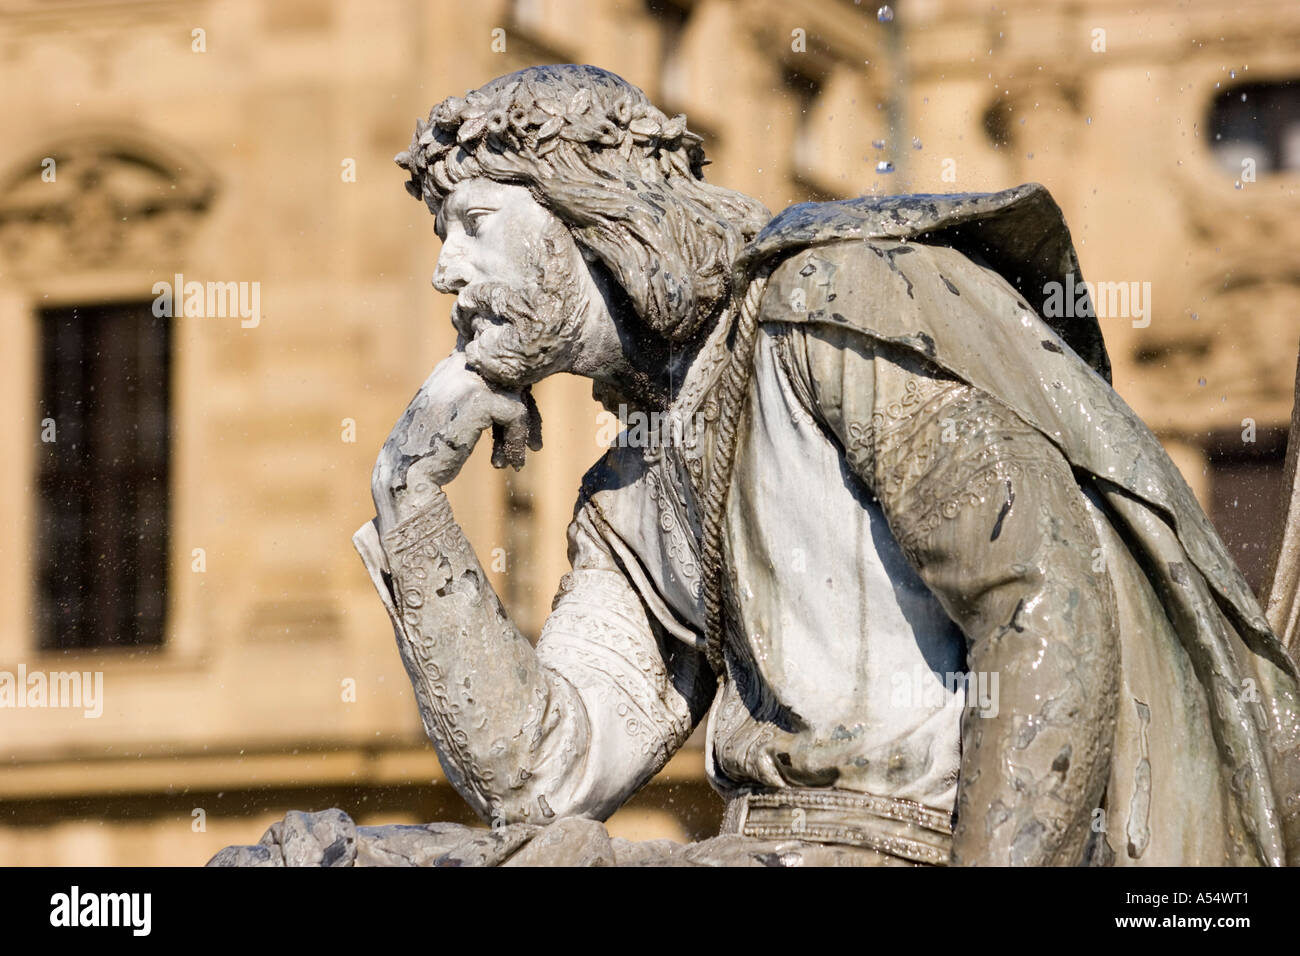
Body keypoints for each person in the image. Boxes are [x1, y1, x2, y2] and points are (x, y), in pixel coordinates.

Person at [211, 64, 1300, 867]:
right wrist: (409, 502)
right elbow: (543, 775)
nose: (446, 272)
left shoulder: (826, 305)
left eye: (475, 224)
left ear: (586, 210)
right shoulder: (632, 476)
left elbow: (1041, 602)